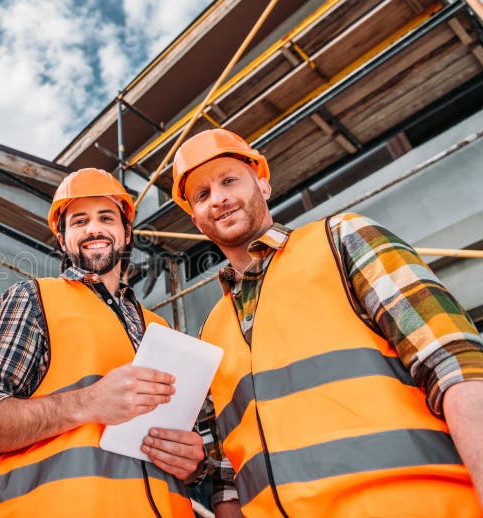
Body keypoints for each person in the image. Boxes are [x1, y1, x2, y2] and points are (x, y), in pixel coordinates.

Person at [170, 128, 483, 517]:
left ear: (263, 186)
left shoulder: (342, 239)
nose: (218, 198)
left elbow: (455, 365)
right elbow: (227, 477)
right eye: (202, 195)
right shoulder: (211, 331)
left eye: (229, 180)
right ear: (197, 221)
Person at [0, 168, 204, 517]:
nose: (93, 229)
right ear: (62, 238)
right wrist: (88, 403)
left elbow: (182, 444)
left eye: (105, 217)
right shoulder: (34, 298)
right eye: (79, 221)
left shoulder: (160, 328)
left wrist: (192, 463)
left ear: (126, 231)